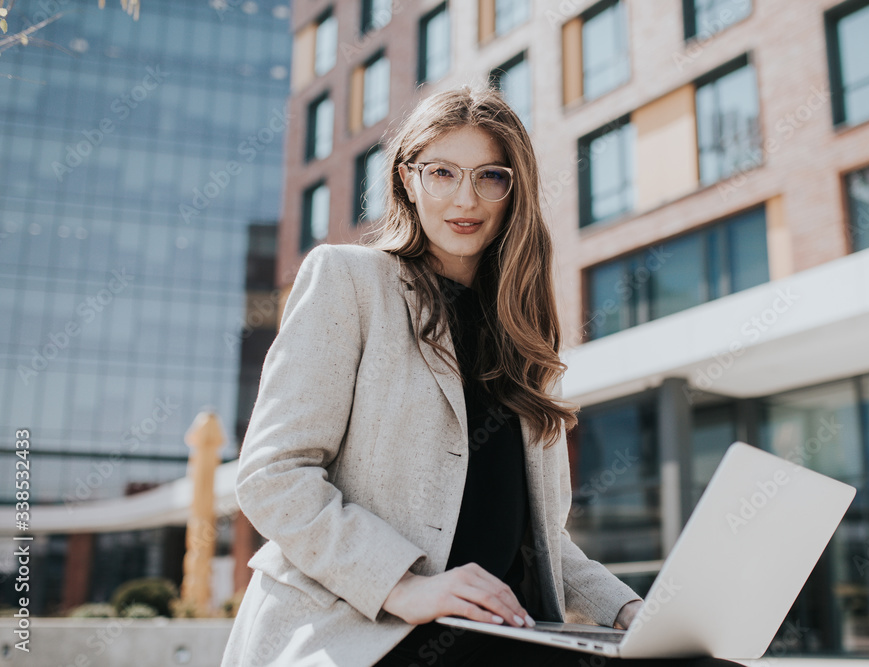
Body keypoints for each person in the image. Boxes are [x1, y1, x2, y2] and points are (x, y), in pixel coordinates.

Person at [221, 86, 744, 667]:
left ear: (513, 189)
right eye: (441, 172)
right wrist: (403, 587)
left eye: (489, 176)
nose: (464, 199)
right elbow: (274, 475)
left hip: (508, 631)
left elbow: (543, 542)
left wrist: (628, 611)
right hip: (371, 628)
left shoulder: (525, 332)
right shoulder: (349, 281)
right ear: (407, 180)